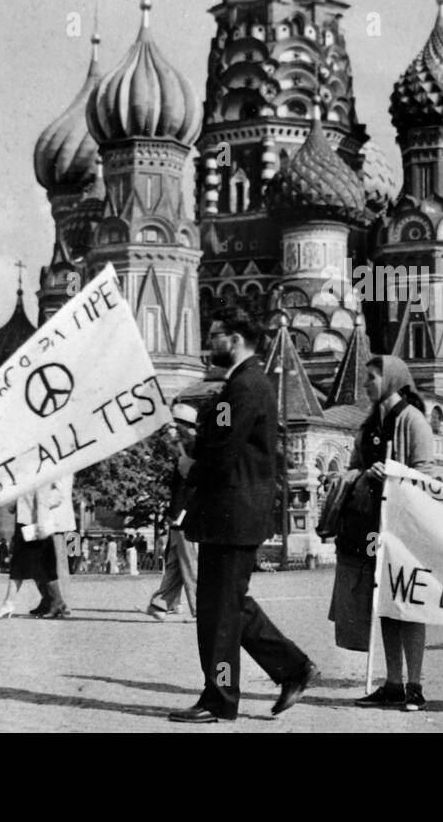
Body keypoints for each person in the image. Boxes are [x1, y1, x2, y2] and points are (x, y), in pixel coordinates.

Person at [169, 307, 317, 724]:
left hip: (232, 512)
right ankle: (291, 667)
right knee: (228, 605)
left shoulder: (245, 387)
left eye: (215, 334)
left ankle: (219, 699)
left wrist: (190, 468)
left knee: (218, 612)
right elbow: (220, 440)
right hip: (230, 512)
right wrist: (193, 443)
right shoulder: (239, 385)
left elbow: (223, 455)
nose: (209, 342)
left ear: (234, 340)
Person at [333, 356, 436, 712]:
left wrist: (393, 474)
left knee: (409, 604)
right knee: (386, 604)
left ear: (391, 380)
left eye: (372, 378)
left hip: (404, 526)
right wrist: (364, 474)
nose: (366, 384)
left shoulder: (412, 420)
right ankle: (392, 682)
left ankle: (415, 685)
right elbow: (351, 470)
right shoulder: (368, 425)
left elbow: (428, 475)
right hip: (371, 525)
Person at [0, 477, 76, 619]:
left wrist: (41, 511)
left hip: (40, 521)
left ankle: (12, 603)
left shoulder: (48, 462)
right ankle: (56, 602)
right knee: (36, 563)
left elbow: (59, 492)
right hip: (28, 519)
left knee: (39, 563)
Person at [148, 403, 200, 621]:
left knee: (187, 563)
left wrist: (177, 511)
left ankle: (195, 607)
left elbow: (188, 484)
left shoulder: (191, 447)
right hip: (180, 513)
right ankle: (162, 602)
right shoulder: (187, 447)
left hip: (185, 513)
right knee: (177, 563)